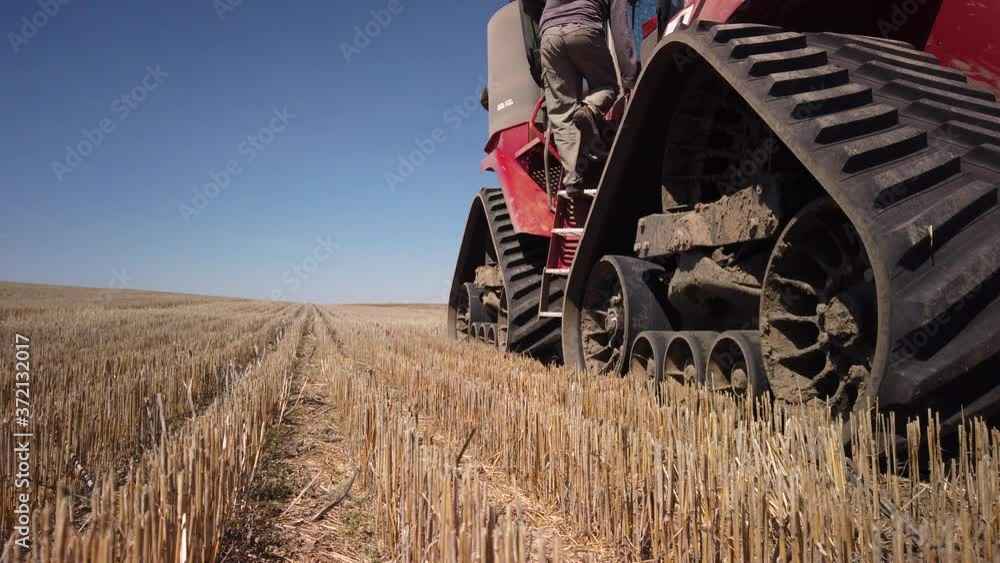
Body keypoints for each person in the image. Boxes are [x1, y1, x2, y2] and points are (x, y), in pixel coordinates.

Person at [539, 0, 638, 194]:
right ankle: (589, 109)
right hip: (584, 27)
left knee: (561, 110)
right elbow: (621, 30)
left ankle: (572, 179)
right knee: (607, 86)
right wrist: (630, 78)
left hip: (548, 35)